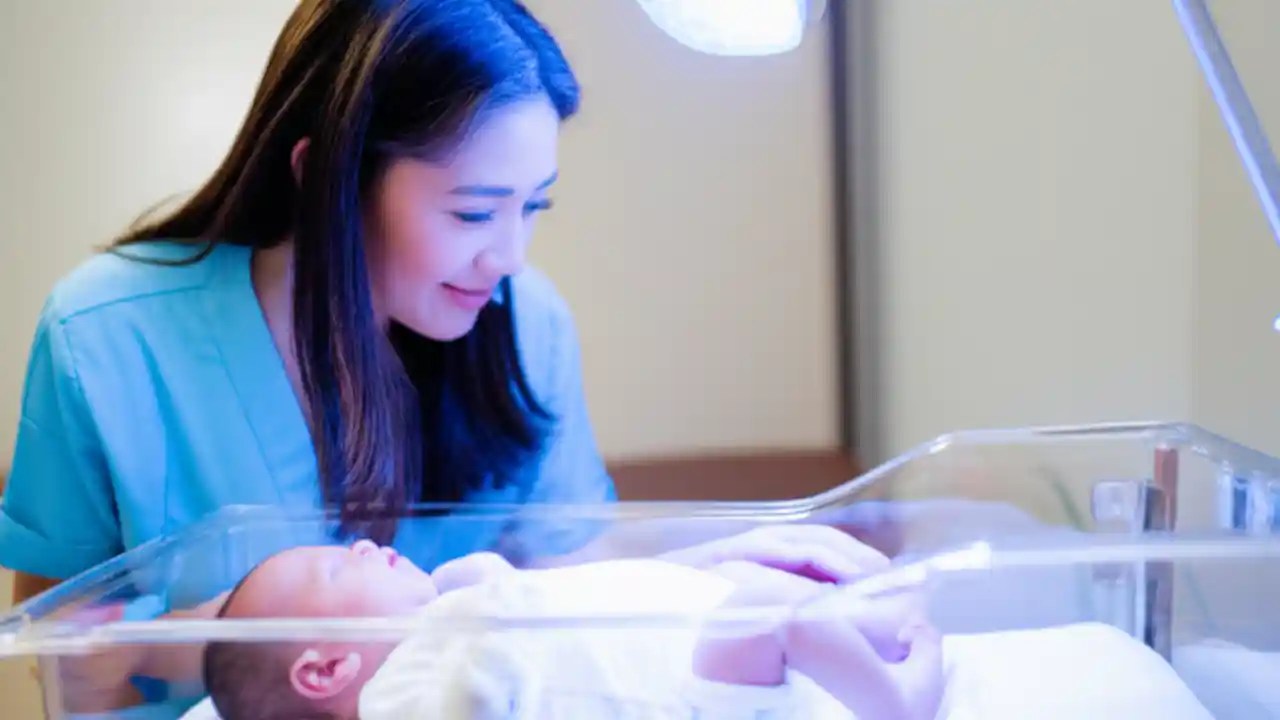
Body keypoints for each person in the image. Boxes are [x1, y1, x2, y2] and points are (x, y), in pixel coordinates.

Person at [0, 0, 892, 713]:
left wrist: (730, 569)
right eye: (473, 212)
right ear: (328, 178)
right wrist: (237, 639)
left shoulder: (524, 324)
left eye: (535, 206)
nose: (508, 257)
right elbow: (58, 648)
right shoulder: (109, 337)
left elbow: (566, 580)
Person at [202, 540, 944, 720]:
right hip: (698, 686)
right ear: (326, 672)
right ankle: (898, 699)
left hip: (683, 626)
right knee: (770, 610)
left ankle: (881, 629)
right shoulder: (403, 692)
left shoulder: (448, 615)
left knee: (766, 592)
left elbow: (554, 590)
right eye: (340, 569)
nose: (364, 544)